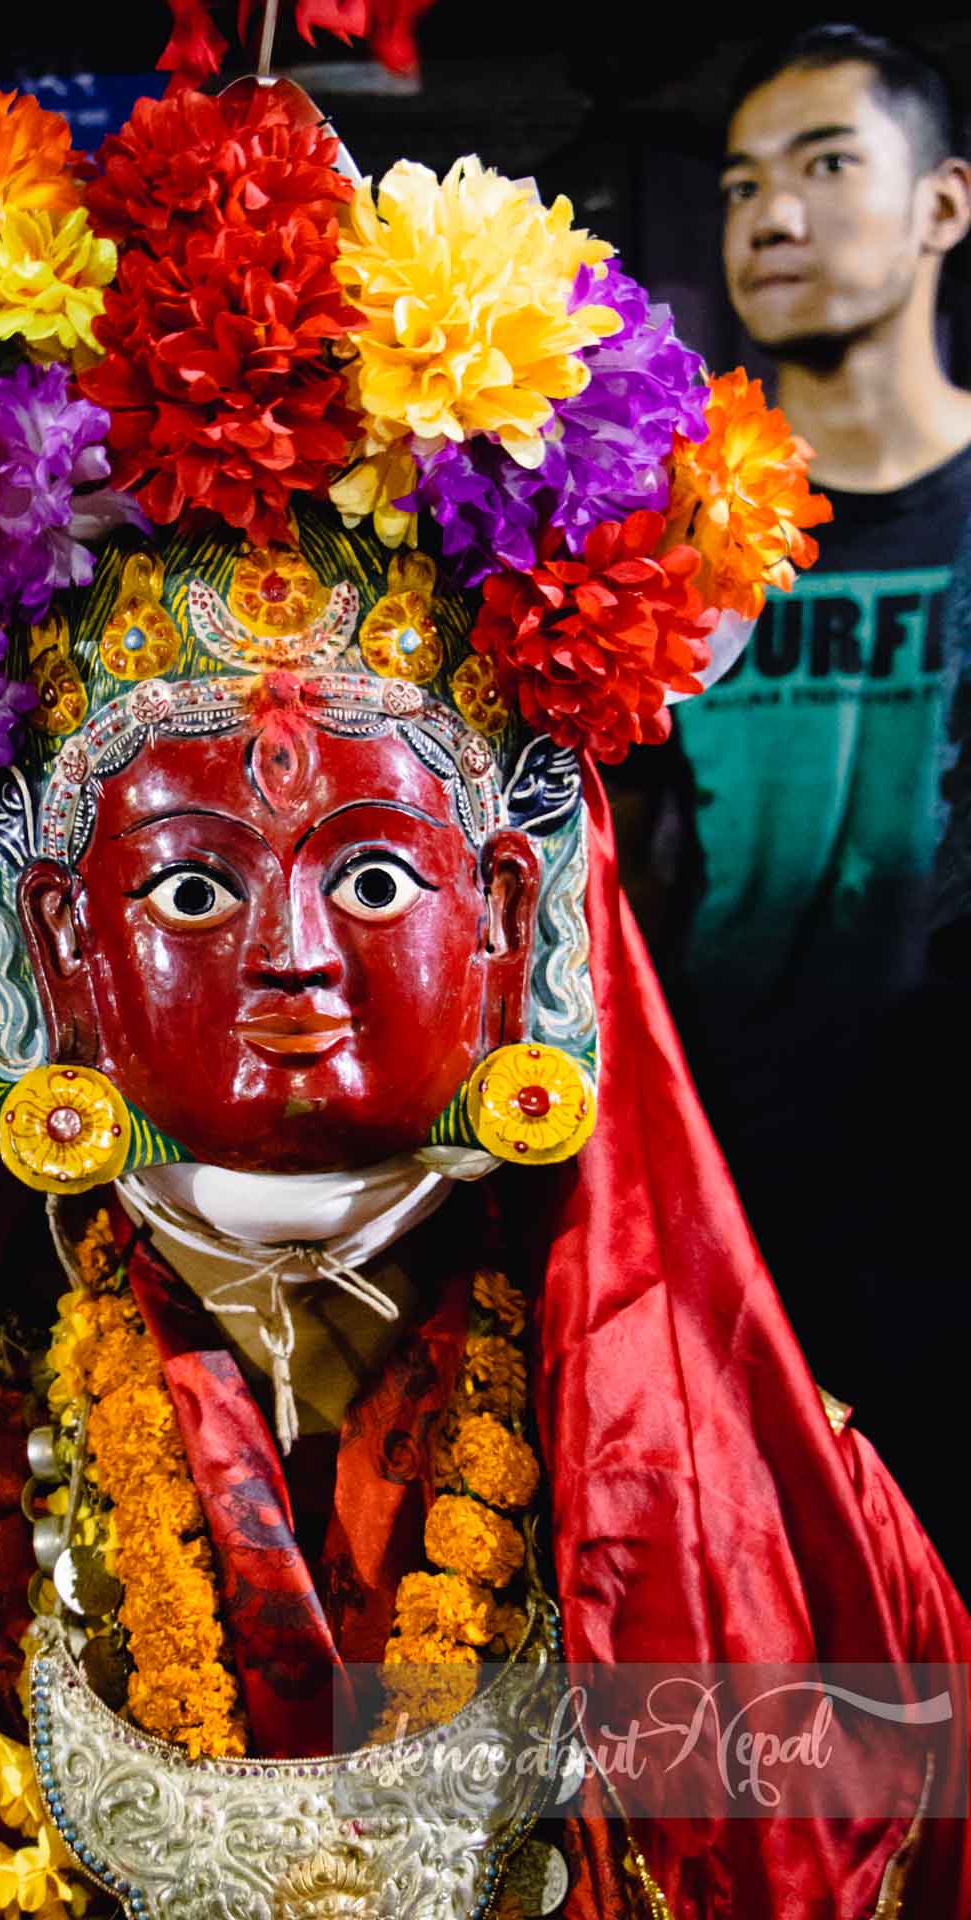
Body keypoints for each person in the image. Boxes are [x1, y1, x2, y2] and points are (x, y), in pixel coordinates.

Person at [0, 62, 969, 1920]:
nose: (292, 957)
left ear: (520, 915)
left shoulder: (785, 1562)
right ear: (48, 948)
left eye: (374, 877)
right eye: (192, 886)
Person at [667, 26, 971, 1573]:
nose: (771, 218)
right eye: (740, 186)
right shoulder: (666, 532)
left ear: (945, 205)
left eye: (826, 165)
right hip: (711, 1223)